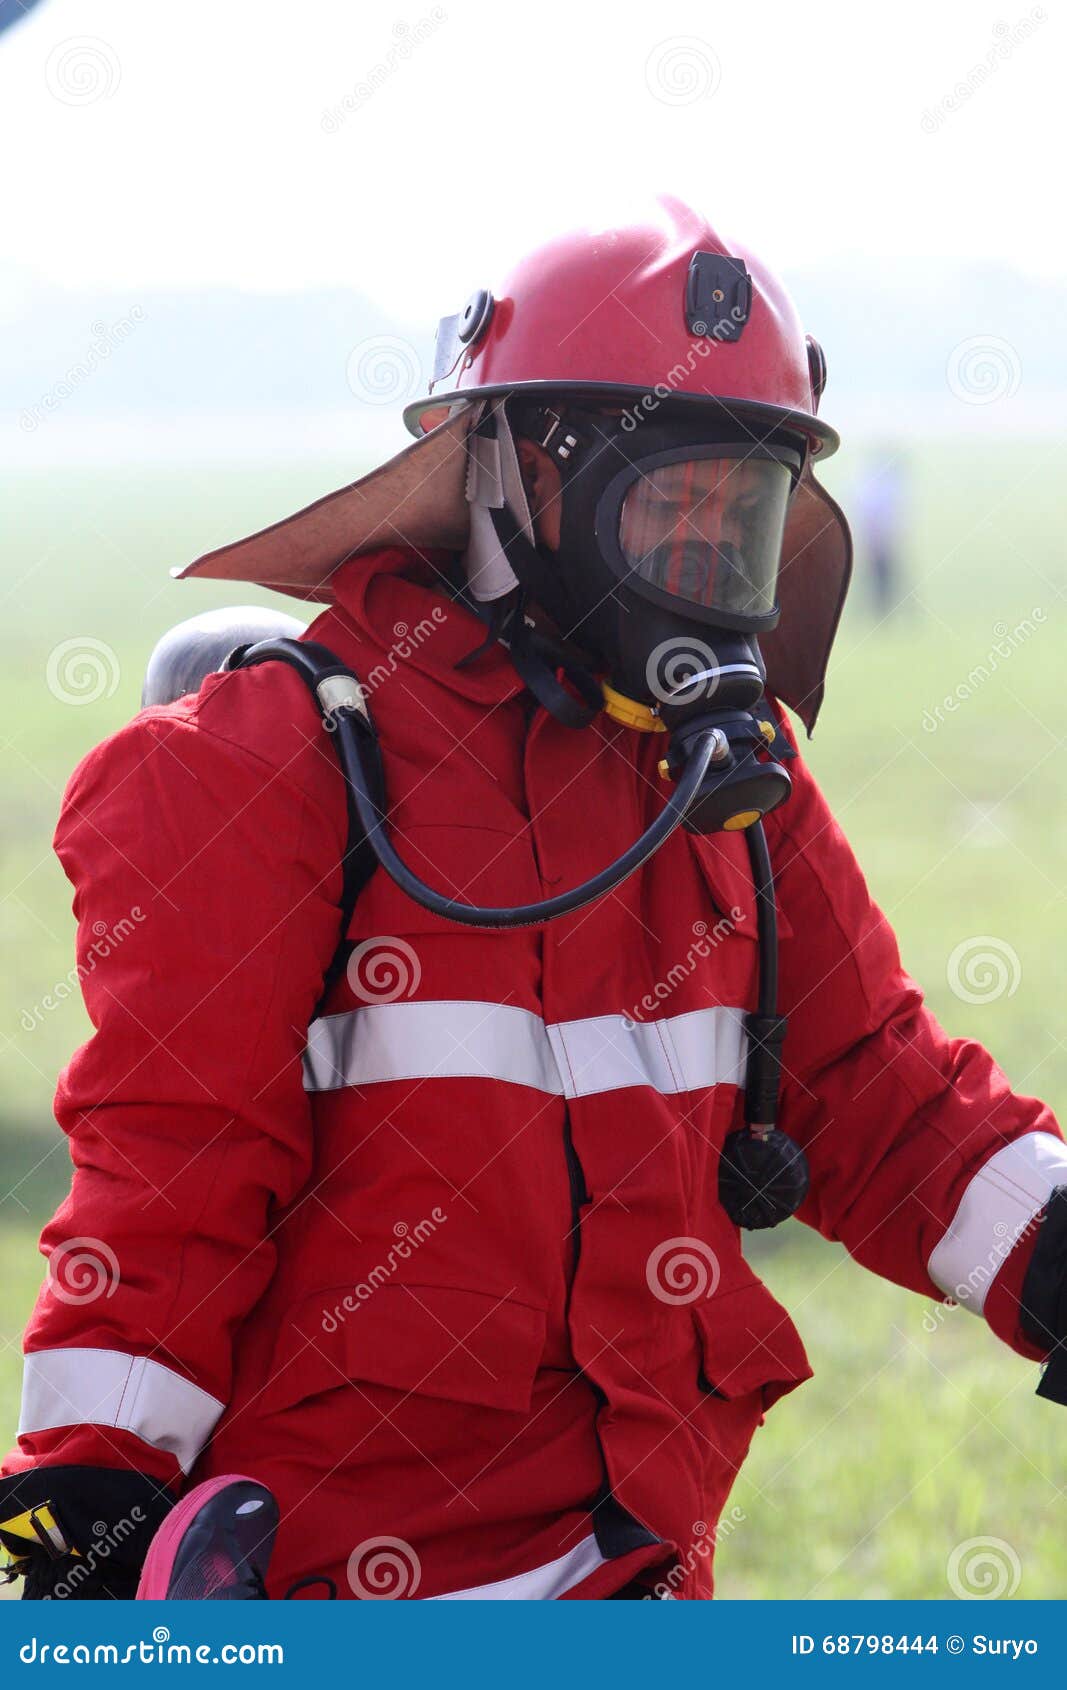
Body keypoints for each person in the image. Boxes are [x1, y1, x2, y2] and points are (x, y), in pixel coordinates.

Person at [3, 197, 1066, 1602]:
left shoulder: (735, 792)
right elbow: (172, 1180)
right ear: (515, 477)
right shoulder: (281, 762)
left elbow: (884, 1093)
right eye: (665, 503)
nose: (699, 558)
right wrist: (88, 1512)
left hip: (631, 1591)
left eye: (734, 519)